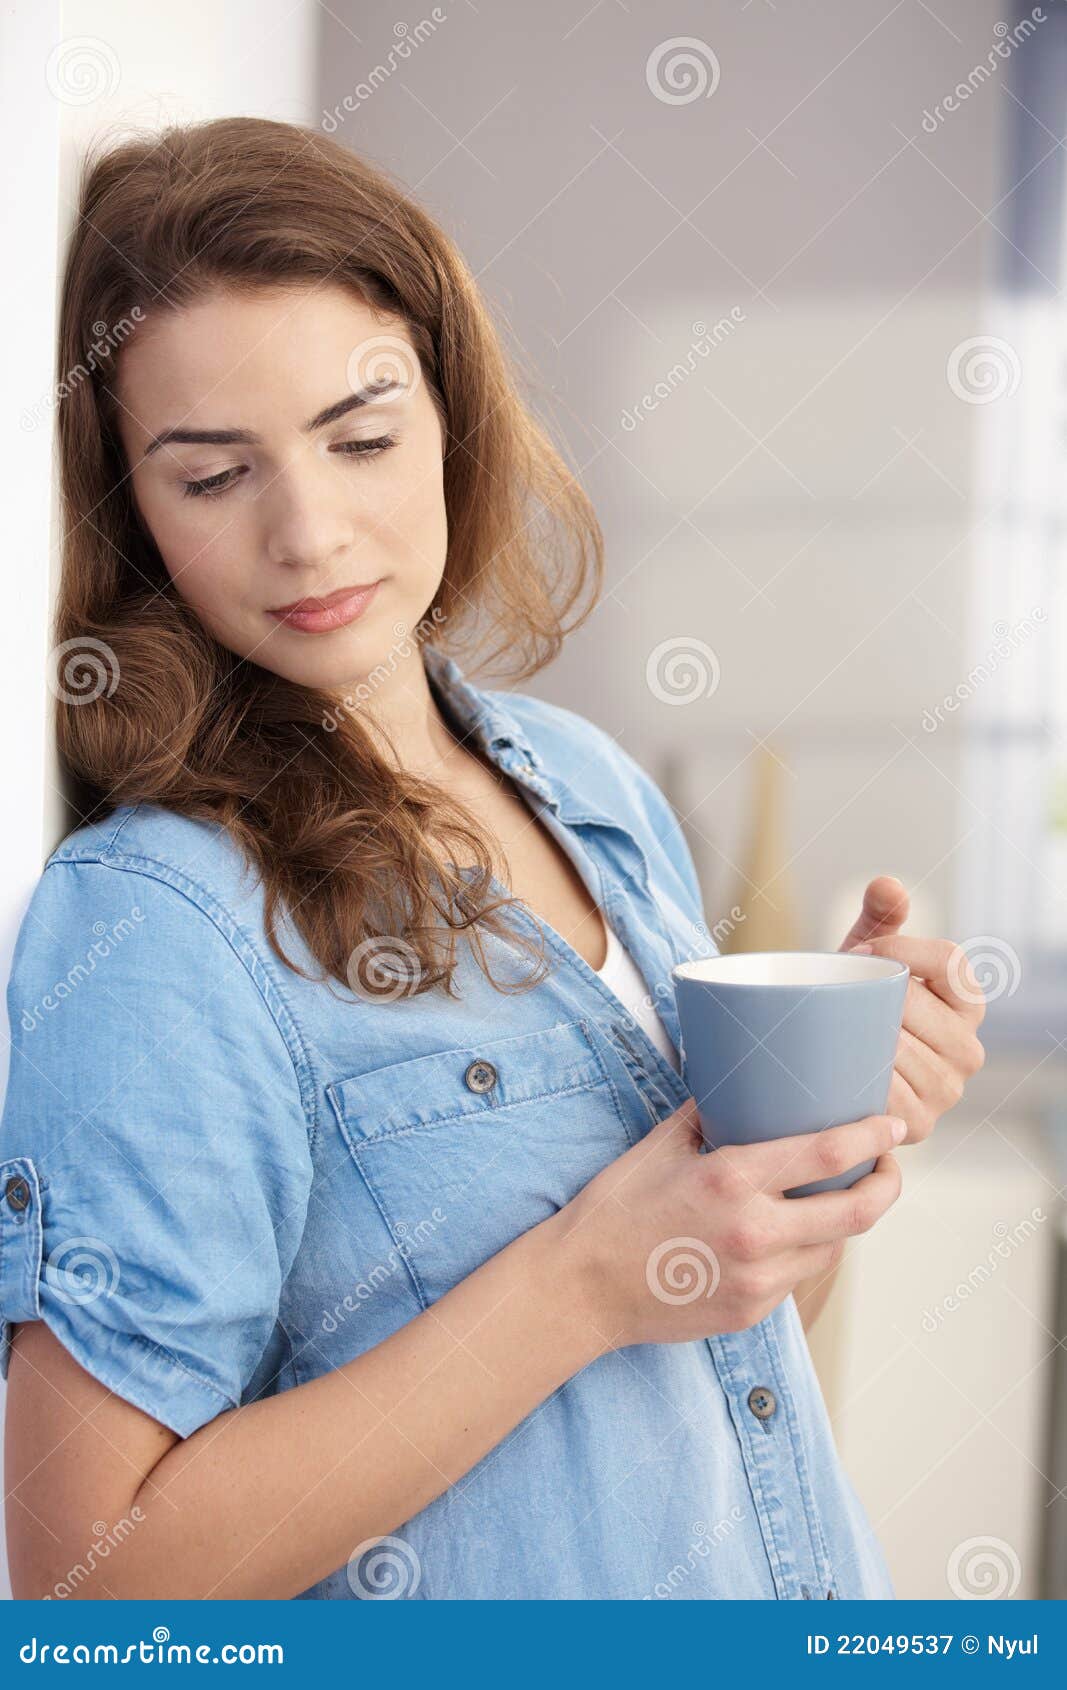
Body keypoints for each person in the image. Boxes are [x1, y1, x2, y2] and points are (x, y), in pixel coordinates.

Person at [0, 117, 986, 1601]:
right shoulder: (155, 919)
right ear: (129, 509)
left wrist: (820, 1102)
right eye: (214, 477)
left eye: (363, 436)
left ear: (453, 411)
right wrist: (581, 1280)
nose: (312, 532)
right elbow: (90, 1579)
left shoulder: (579, 778)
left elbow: (721, 1332)